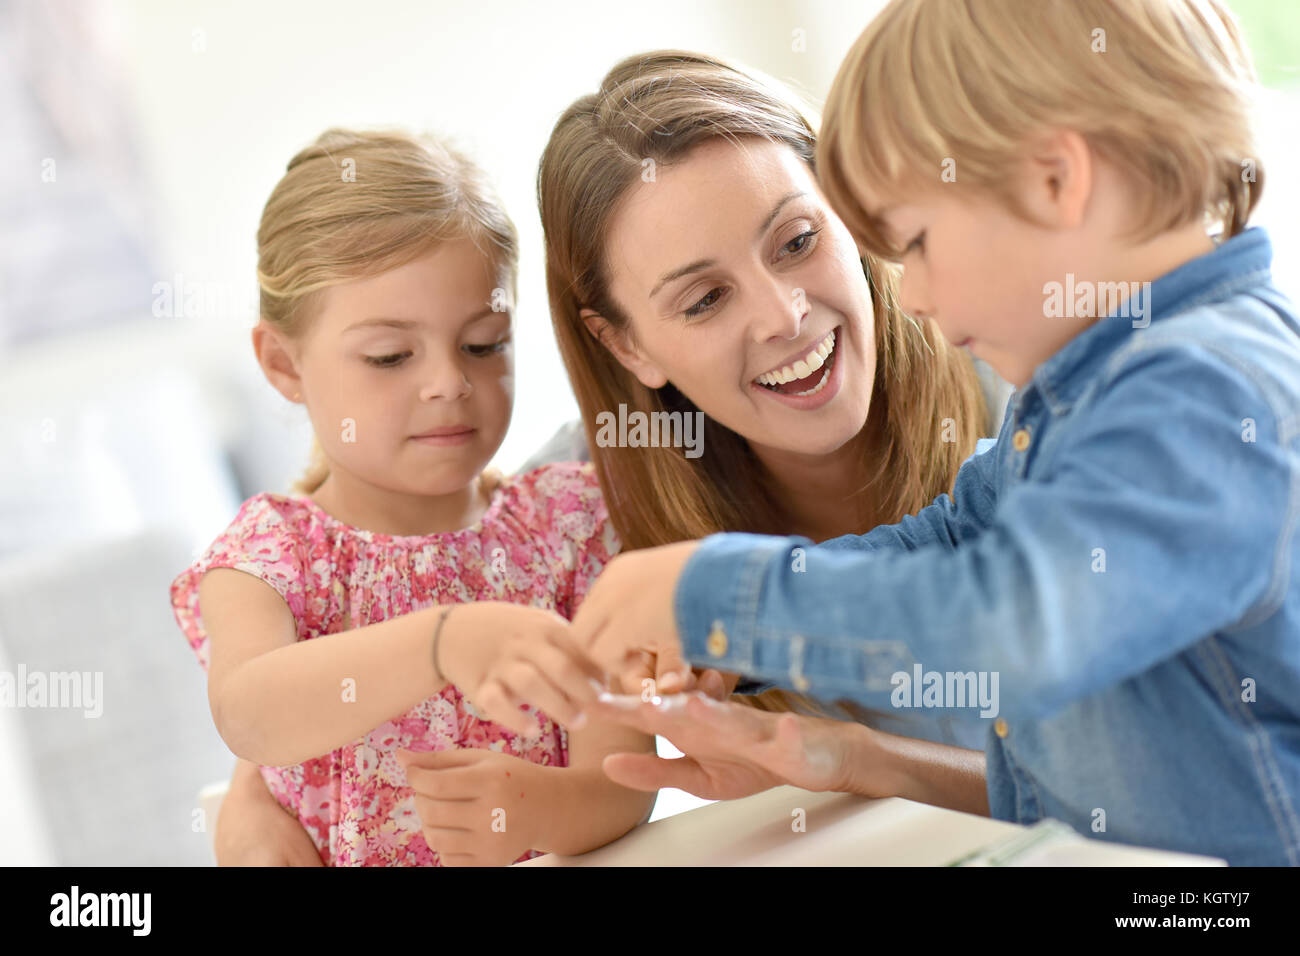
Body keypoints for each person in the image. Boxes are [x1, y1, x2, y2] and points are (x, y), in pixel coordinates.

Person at [497, 0, 1300, 867]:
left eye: (915, 241)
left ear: (1056, 183)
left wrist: (724, 598)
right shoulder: (1083, 388)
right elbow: (948, 543)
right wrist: (734, 645)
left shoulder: (1199, 392)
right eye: (704, 298)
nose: (907, 293)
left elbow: (1018, 618)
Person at [212, 51, 1011, 863]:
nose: (784, 315)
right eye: (704, 300)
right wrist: (252, 791)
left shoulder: (1018, 393)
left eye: (798, 241)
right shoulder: (587, 503)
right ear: (626, 344)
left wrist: (860, 761)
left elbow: (1123, 791)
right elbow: (358, 663)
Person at [170, 127, 651, 866]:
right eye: (391, 356)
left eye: (484, 343)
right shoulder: (271, 556)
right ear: (282, 364)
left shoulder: (569, 525)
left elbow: (623, 773)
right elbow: (251, 714)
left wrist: (546, 811)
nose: (449, 383)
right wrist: (442, 640)